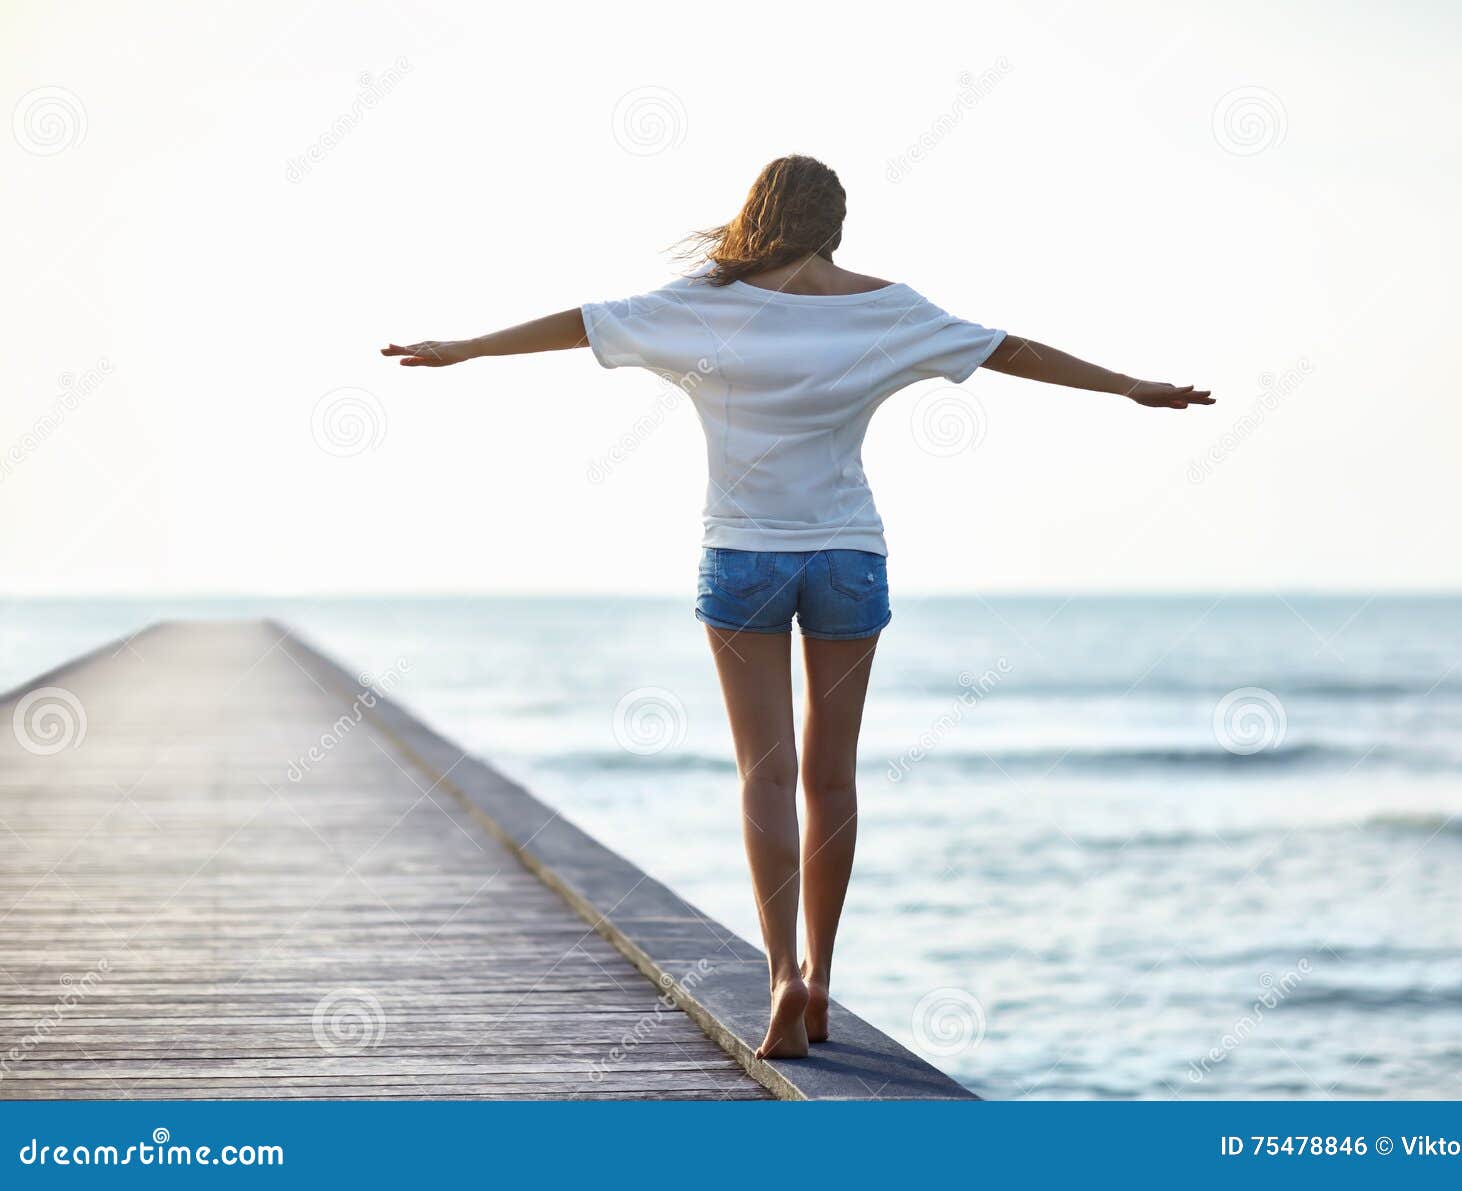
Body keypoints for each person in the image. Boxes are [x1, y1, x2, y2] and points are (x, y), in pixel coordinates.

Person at [383, 154, 1212, 1059]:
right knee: (833, 778)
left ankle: (779, 973)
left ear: (757, 215)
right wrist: (1131, 384)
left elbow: (579, 325)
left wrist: (463, 348)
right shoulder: (887, 307)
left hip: (742, 557)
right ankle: (821, 978)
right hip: (847, 557)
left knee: (765, 778)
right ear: (836, 225)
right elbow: (1009, 350)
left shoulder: (702, 300)